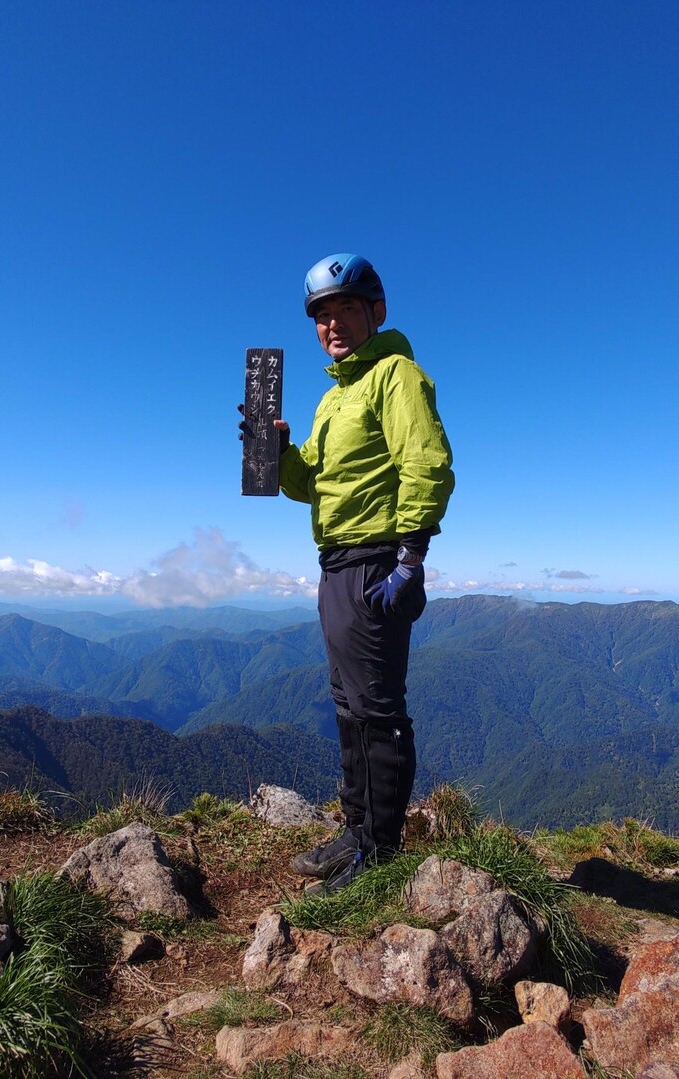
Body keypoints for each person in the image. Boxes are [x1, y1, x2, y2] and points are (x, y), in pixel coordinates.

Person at [242, 253, 455, 894]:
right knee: (349, 705)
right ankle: (356, 831)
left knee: (378, 709)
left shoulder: (397, 376)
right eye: (322, 315)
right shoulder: (335, 396)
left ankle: (380, 856)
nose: (331, 324)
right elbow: (314, 484)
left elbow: (428, 463)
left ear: (375, 313)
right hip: (336, 563)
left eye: (345, 310)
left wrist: (411, 559)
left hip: (374, 563)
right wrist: (276, 454)